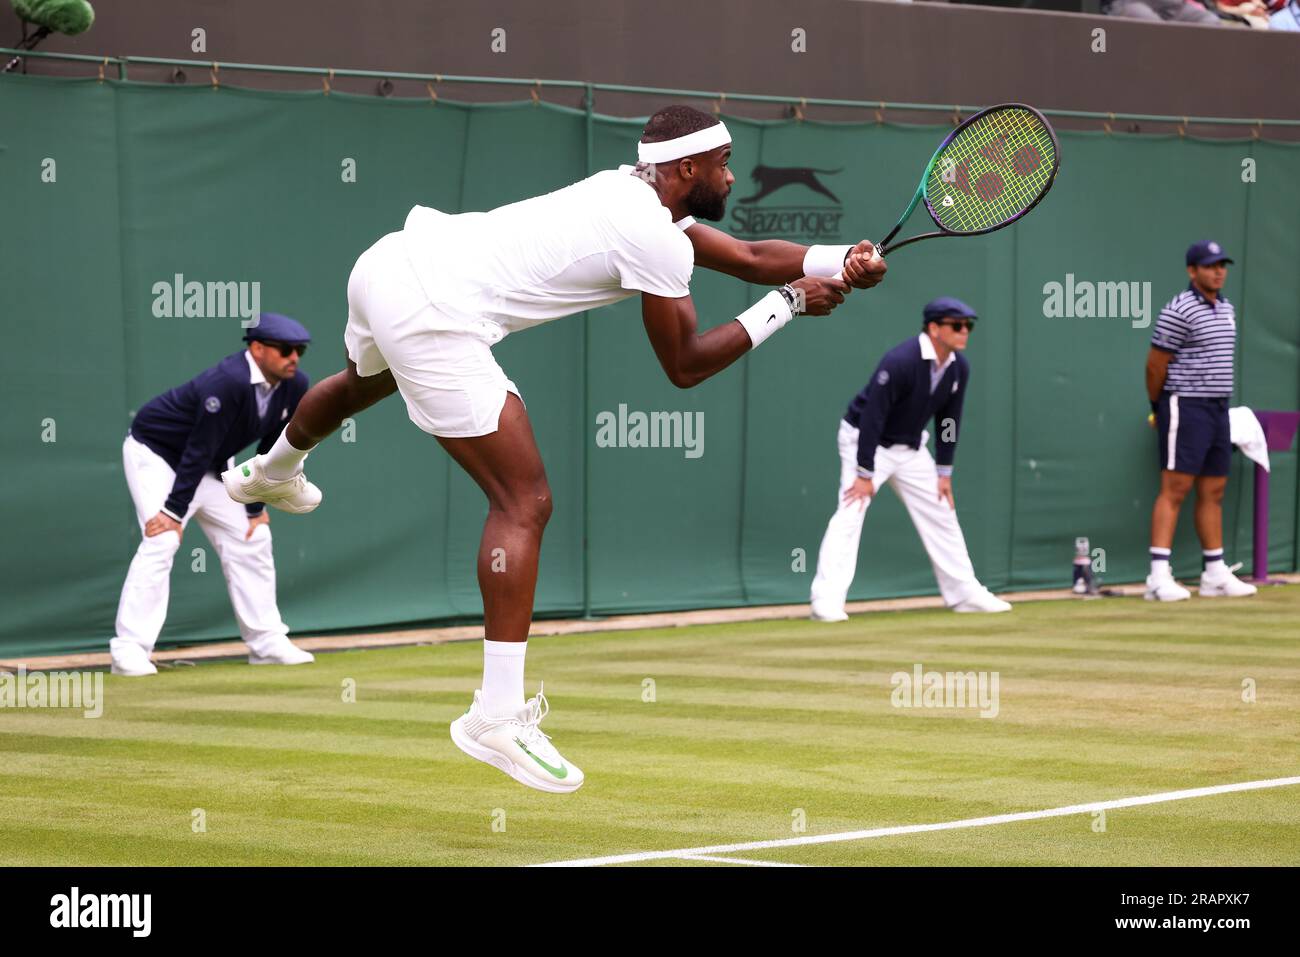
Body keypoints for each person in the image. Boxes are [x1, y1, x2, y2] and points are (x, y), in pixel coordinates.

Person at [222, 105, 889, 793]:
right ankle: (497, 714)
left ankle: (272, 468)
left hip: (389, 261)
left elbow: (748, 256)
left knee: (365, 382)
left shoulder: (624, 189)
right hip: (436, 311)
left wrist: (840, 259)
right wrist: (788, 304)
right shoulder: (649, 234)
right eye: (723, 162)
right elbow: (685, 364)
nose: (732, 173)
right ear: (686, 169)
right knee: (524, 500)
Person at [110, 314, 319, 676]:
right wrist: (174, 514)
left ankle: (267, 642)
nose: (294, 358)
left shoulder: (294, 385)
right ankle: (129, 651)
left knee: (254, 535)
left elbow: (271, 448)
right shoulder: (227, 382)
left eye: (299, 350)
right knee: (161, 540)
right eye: (286, 350)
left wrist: (255, 505)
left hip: (210, 463)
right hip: (157, 454)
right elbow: (198, 449)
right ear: (257, 348)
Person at [809, 298, 1010, 621]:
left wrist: (944, 472)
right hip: (865, 442)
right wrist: (864, 473)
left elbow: (948, 421)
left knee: (942, 510)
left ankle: (964, 593)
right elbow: (873, 417)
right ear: (934, 328)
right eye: (957, 325)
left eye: (968, 326)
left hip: (911, 449)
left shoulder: (959, 367)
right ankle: (826, 601)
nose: (964, 332)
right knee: (851, 510)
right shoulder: (901, 361)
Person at [1145, 241, 1256, 601]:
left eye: (1222, 265)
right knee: (1175, 489)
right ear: (1192, 271)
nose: (1218, 271)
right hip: (1184, 405)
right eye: (1209, 266)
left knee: (1214, 490)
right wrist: (1158, 406)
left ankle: (1214, 574)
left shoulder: (1226, 308)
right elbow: (1155, 364)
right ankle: (1158, 578)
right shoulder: (1179, 310)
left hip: (1218, 409)